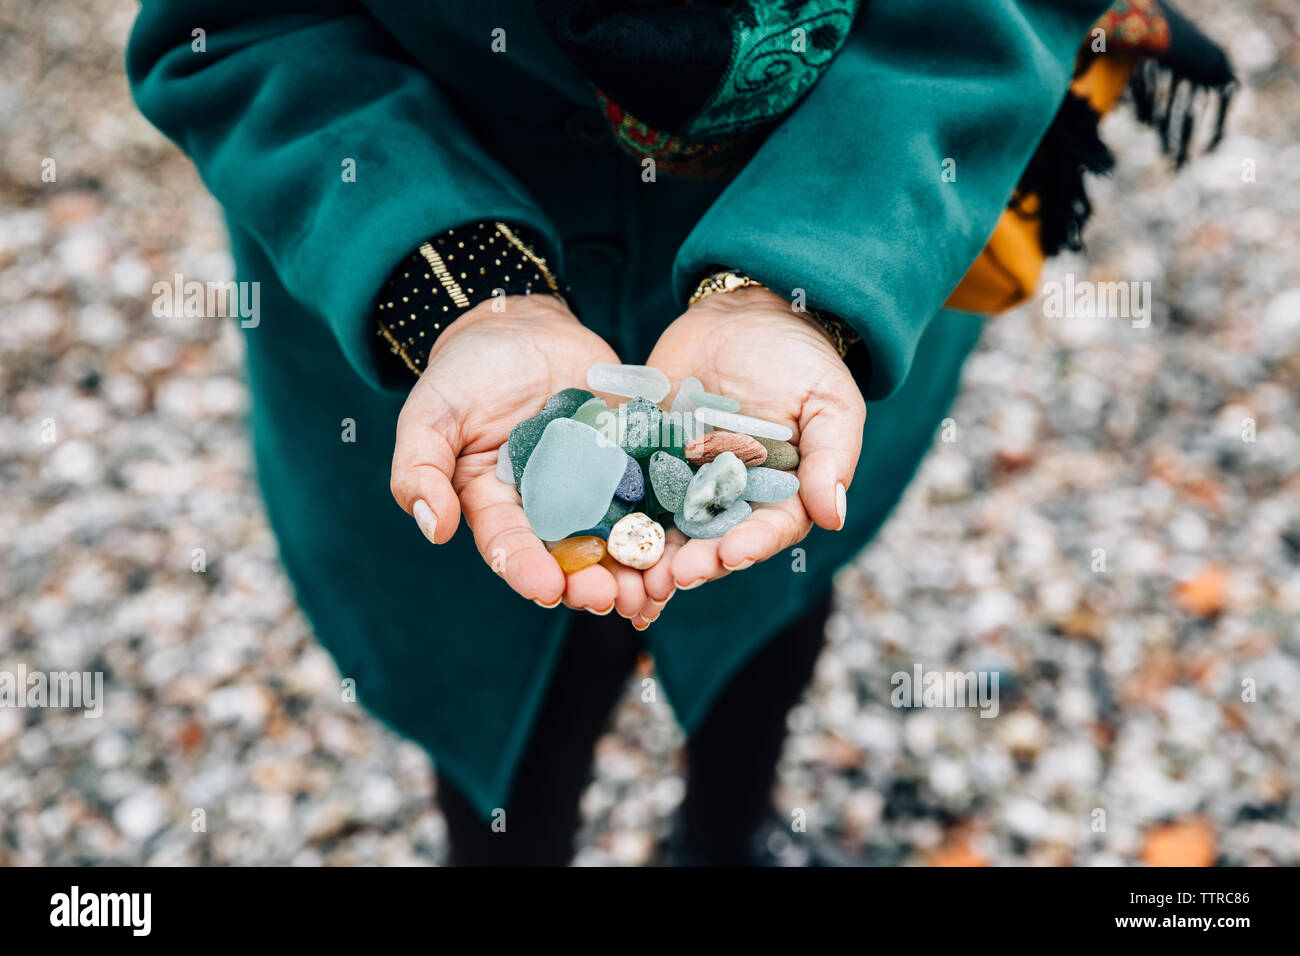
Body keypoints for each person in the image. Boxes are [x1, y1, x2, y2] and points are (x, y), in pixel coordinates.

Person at [127, 0, 1232, 865]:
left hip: (843, 252)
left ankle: (726, 837)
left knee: (781, 566)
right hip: (416, 283)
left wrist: (799, 286)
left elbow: (983, 11)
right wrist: (460, 293)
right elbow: (234, 20)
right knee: (500, 674)